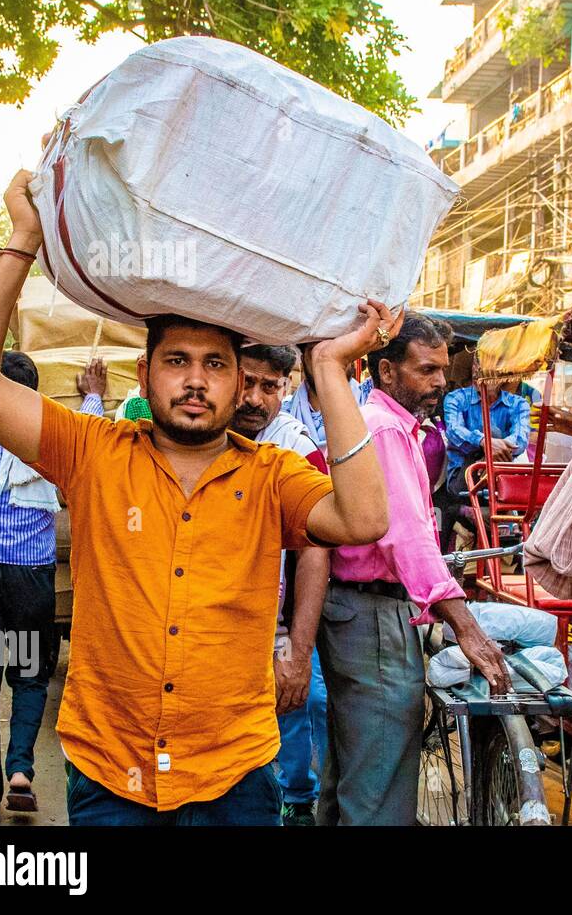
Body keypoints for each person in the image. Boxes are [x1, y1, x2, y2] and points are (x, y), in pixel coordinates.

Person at [0, 169, 397, 826]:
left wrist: (328, 366)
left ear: (240, 386)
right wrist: (26, 235)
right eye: (176, 360)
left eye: (215, 365)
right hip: (109, 772)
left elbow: (364, 516)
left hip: (233, 777)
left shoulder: (273, 473)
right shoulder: (92, 450)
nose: (195, 380)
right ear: (146, 376)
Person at [319, 313, 509, 825]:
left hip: (369, 613)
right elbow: (405, 537)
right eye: (426, 370)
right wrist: (465, 626)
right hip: (372, 615)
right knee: (379, 780)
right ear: (386, 372)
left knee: (356, 766)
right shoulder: (382, 428)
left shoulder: (397, 427)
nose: (440, 382)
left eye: (443, 370)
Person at [0, 351, 106, 825]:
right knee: (29, 675)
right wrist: (95, 396)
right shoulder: (50, 435)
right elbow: (91, 440)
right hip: (31, 574)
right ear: (36, 395)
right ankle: (20, 768)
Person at [229, 343, 330, 826]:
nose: (254, 399)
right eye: (246, 382)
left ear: (285, 388)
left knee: (297, 702)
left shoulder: (295, 445)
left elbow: (315, 546)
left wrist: (297, 649)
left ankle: (297, 796)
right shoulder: (190, 430)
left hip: (270, 620)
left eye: (269, 387)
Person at [442, 377, 530, 494]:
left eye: (488, 373)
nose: (480, 378)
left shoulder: (519, 403)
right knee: (492, 433)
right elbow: (454, 430)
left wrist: (496, 451)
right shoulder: (456, 398)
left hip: (501, 477)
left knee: (495, 435)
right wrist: (484, 442)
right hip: (462, 479)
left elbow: (521, 438)